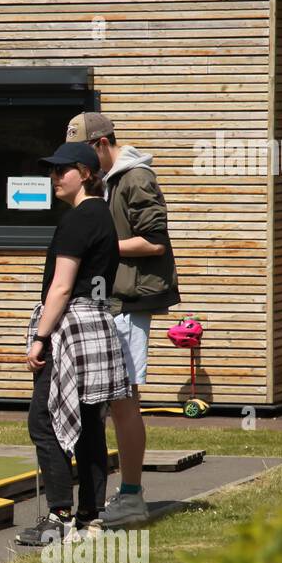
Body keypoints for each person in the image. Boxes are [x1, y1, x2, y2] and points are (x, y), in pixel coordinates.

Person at [68, 112, 181, 529]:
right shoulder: (112, 179)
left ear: (101, 144)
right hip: (113, 301)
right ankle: (125, 492)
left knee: (124, 400)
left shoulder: (135, 178)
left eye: (83, 156)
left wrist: (101, 247)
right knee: (114, 402)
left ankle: (132, 495)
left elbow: (154, 241)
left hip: (130, 305)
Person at [16, 142, 130, 546]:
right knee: (89, 424)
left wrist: (40, 337)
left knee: (44, 421)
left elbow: (61, 286)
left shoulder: (78, 219)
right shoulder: (102, 214)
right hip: (98, 322)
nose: (54, 177)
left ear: (84, 172)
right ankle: (90, 517)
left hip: (70, 326)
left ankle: (59, 516)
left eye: (61, 170)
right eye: (52, 170)